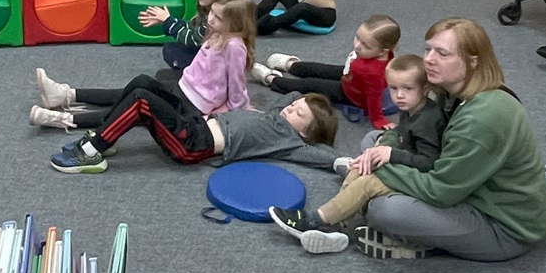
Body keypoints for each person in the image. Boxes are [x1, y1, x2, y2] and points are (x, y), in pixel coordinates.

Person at [335, 18, 546, 261]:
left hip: (503, 227)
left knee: (384, 210)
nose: (428, 59)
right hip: (462, 180)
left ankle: (420, 241)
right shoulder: (452, 88)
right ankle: (378, 194)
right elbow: (406, 130)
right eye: (428, 49)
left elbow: (440, 190)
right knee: (373, 139)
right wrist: (383, 151)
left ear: (472, 62)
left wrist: (379, 167)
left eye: (442, 53)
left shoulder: (482, 118)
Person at [267, 54, 447, 254]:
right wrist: (382, 145)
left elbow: (429, 163)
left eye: (407, 89)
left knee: (365, 184)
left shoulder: (429, 120)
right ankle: (337, 225)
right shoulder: (411, 106)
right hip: (403, 161)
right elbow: (400, 133)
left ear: (425, 89)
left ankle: (313, 220)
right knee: (357, 169)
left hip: (417, 176)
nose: (399, 96)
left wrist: (391, 155)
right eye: (393, 88)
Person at [31, 0, 255, 129]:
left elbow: (237, 85)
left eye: (218, 17)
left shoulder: (234, 46)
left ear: (235, 24)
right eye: (212, 13)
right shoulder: (217, 34)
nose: (210, 19)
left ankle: (65, 119)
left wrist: (236, 115)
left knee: (132, 106)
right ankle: (68, 95)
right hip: (183, 89)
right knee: (137, 85)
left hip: (192, 105)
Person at [48, 90, 340, 174]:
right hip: (197, 122)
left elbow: (326, 156)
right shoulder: (277, 115)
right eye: (294, 107)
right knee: (145, 82)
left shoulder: (290, 142)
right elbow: (292, 93)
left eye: (299, 113)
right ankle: (107, 137)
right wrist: (308, 102)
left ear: (305, 133)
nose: (291, 109)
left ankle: (93, 152)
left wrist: (353, 163)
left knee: (141, 101)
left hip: (194, 144)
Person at [252, 15, 399, 130]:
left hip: (349, 92)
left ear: (382, 51)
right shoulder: (384, 53)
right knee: (320, 68)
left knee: (310, 84)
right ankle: (291, 65)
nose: (357, 46)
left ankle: (271, 79)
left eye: (365, 46)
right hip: (352, 75)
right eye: (357, 37)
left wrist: (377, 119)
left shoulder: (372, 73)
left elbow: (374, 97)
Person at [141, 0, 238, 75]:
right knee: (171, 47)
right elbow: (192, 27)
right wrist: (167, 21)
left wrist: (168, 21)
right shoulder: (213, 10)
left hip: (211, 65)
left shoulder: (213, 21)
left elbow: (192, 39)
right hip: (208, 55)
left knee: (171, 51)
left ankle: (192, 73)